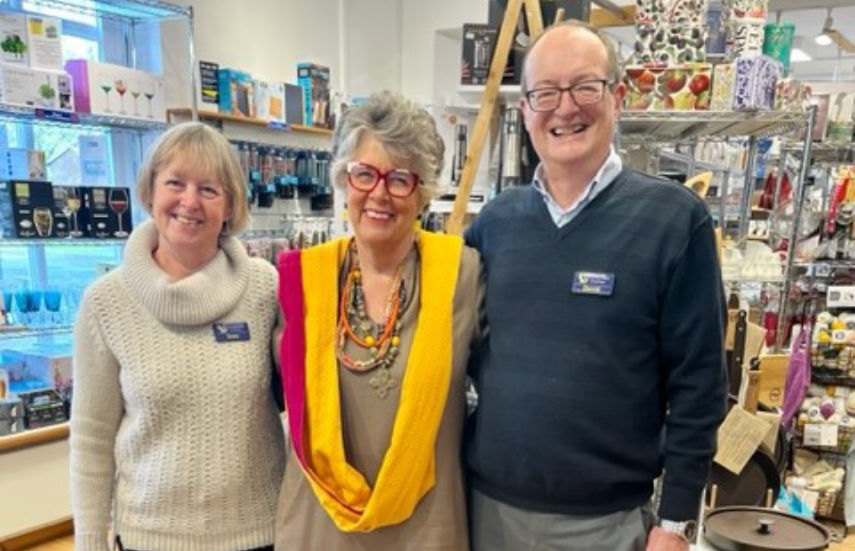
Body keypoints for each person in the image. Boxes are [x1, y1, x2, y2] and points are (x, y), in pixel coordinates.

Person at [464, 20, 727, 551]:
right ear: (525, 111)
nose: (565, 108)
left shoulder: (676, 222)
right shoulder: (493, 224)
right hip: (485, 514)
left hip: (606, 526)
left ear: (617, 98)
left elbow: (699, 389)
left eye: (585, 86)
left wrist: (675, 524)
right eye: (545, 92)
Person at [274, 91, 481, 550]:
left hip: (426, 531)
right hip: (319, 529)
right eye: (364, 174)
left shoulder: (461, 276)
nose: (379, 194)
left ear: (424, 190)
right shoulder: (301, 281)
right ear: (344, 181)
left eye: (400, 179)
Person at [70, 122, 286, 551]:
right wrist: (90, 542)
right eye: (175, 183)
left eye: (209, 189)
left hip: (259, 533)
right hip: (150, 539)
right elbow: (92, 436)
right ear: (151, 192)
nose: (190, 201)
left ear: (229, 206)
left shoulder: (265, 288)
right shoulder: (106, 302)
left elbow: (302, 401)